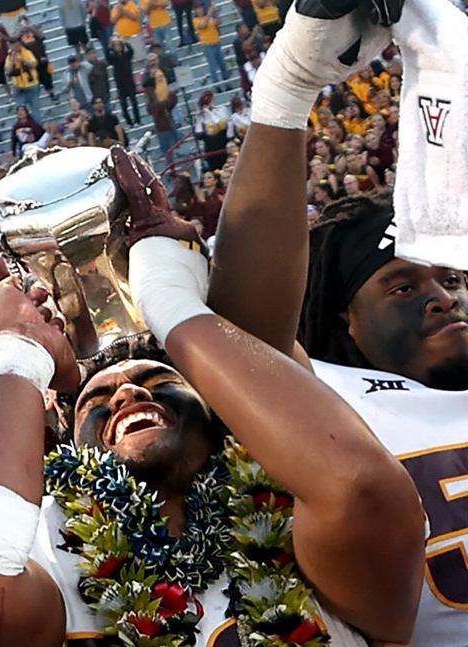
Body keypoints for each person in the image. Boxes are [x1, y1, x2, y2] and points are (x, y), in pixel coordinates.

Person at [0, 200, 424, 647]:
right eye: (98, 398)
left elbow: (362, 487)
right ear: (68, 440)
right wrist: (9, 349)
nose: (128, 391)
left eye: (159, 380)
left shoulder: (295, 499)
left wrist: (173, 298)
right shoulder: (41, 544)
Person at [201, 3, 468, 642]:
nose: (441, 299)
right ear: (343, 320)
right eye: (402, 286)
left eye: (451, 281)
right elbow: (247, 338)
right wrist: (290, 84)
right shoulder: (331, 403)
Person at [5, 39, 42, 122]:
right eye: (13, 46)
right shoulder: (9, 57)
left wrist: (23, 60)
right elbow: (7, 71)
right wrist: (12, 61)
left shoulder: (27, 53)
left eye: (17, 45)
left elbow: (34, 64)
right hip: (18, 88)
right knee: (20, 111)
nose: (16, 47)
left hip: (31, 85)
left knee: (35, 110)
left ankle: (37, 128)